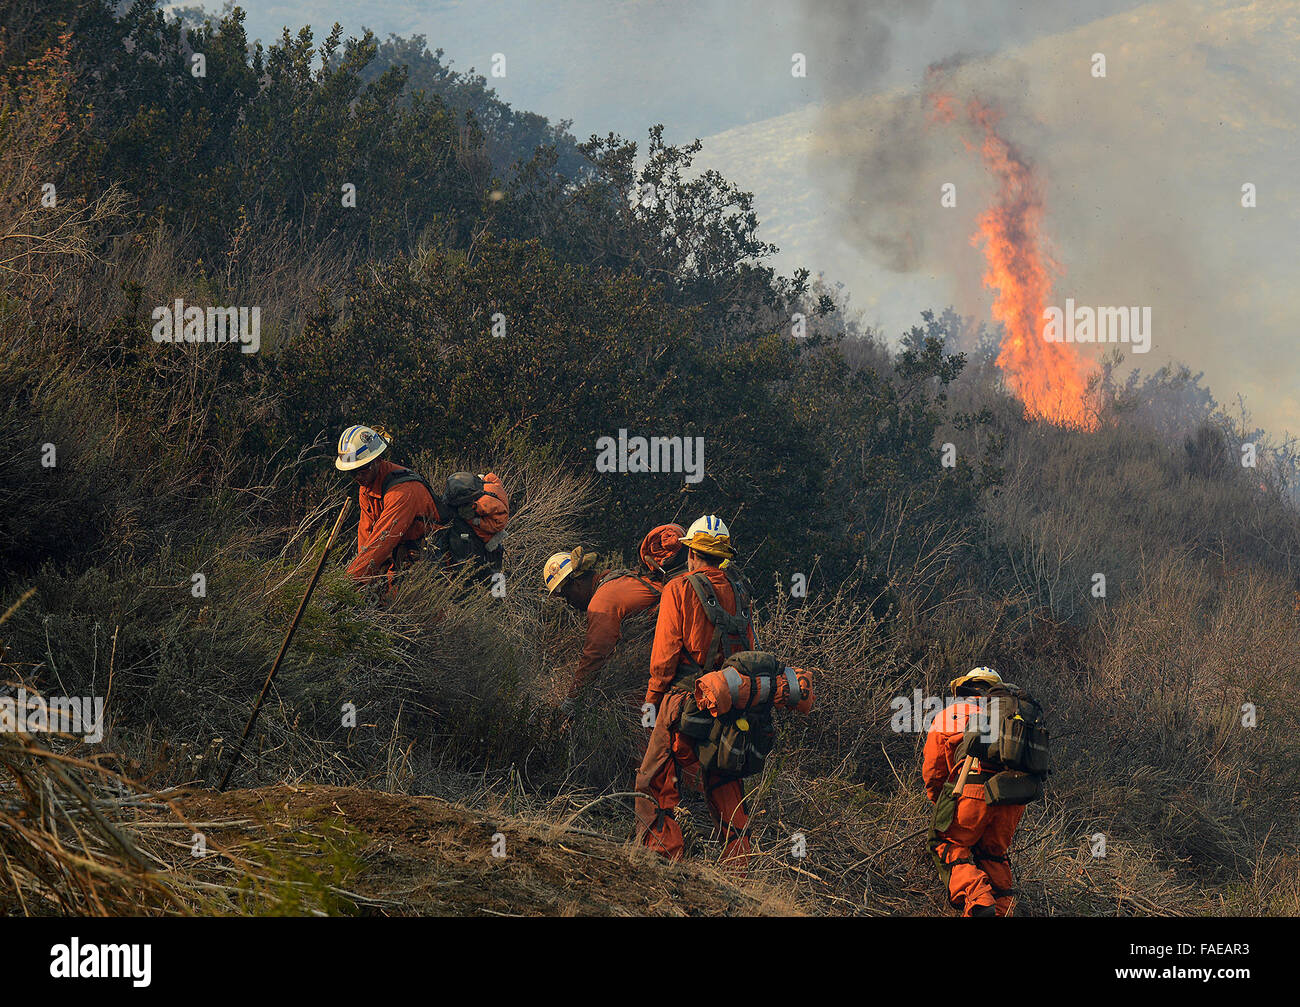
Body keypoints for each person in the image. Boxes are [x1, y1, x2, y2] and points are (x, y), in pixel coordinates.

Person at [634, 514, 756, 868]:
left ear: (690, 553)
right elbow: (749, 648)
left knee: (653, 780)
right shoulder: (740, 590)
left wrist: (652, 702)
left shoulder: (680, 588)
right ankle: (741, 867)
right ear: (722, 557)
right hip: (731, 703)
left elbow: (665, 656)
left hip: (684, 704)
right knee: (724, 781)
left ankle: (661, 859)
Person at [544, 524, 687, 706]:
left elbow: (595, 655)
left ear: (576, 583)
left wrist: (572, 700)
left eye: (566, 596)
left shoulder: (602, 602)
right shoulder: (615, 579)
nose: (569, 603)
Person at [923, 667, 1025, 917]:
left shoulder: (951, 715)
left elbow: (933, 770)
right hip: (1012, 799)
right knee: (993, 855)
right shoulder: (1015, 717)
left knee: (947, 843)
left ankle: (978, 900)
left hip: (971, 790)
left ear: (965, 687)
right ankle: (1004, 910)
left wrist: (940, 803)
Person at [336, 424, 440, 594]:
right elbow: (366, 540)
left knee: (414, 610)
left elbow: (382, 541)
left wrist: (346, 587)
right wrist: (364, 582)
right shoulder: (367, 487)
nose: (357, 477)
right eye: (352, 473)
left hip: (432, 559)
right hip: (402, 555)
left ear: (377, 460)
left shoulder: (402, 491)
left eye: (362, 470)